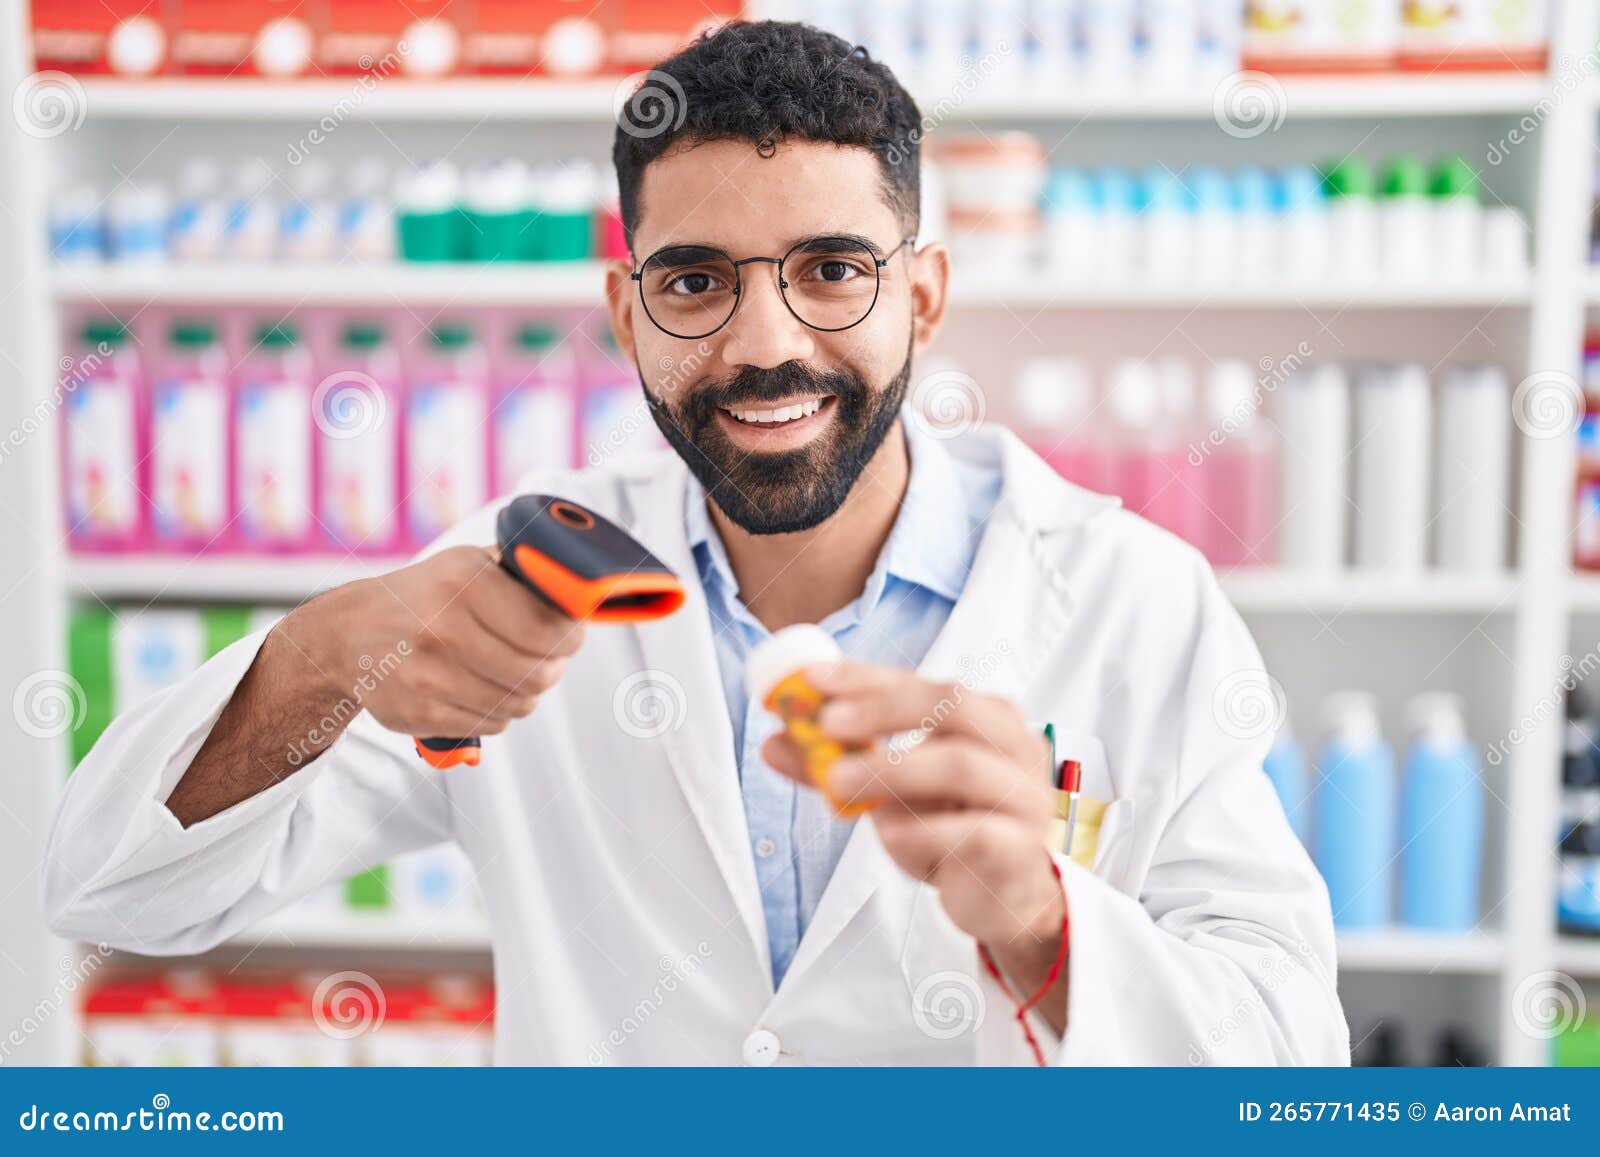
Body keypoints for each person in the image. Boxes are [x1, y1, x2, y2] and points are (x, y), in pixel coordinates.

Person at [44, 20, 1348, 1066]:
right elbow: (113, 888)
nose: (766, 343)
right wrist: (325, 655)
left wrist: (1043, 919)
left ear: (924, 295)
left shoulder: (1132, 599)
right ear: (627, 312)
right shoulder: (511, 589)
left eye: (832, 269)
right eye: (695, 280)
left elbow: (1291, 1065)